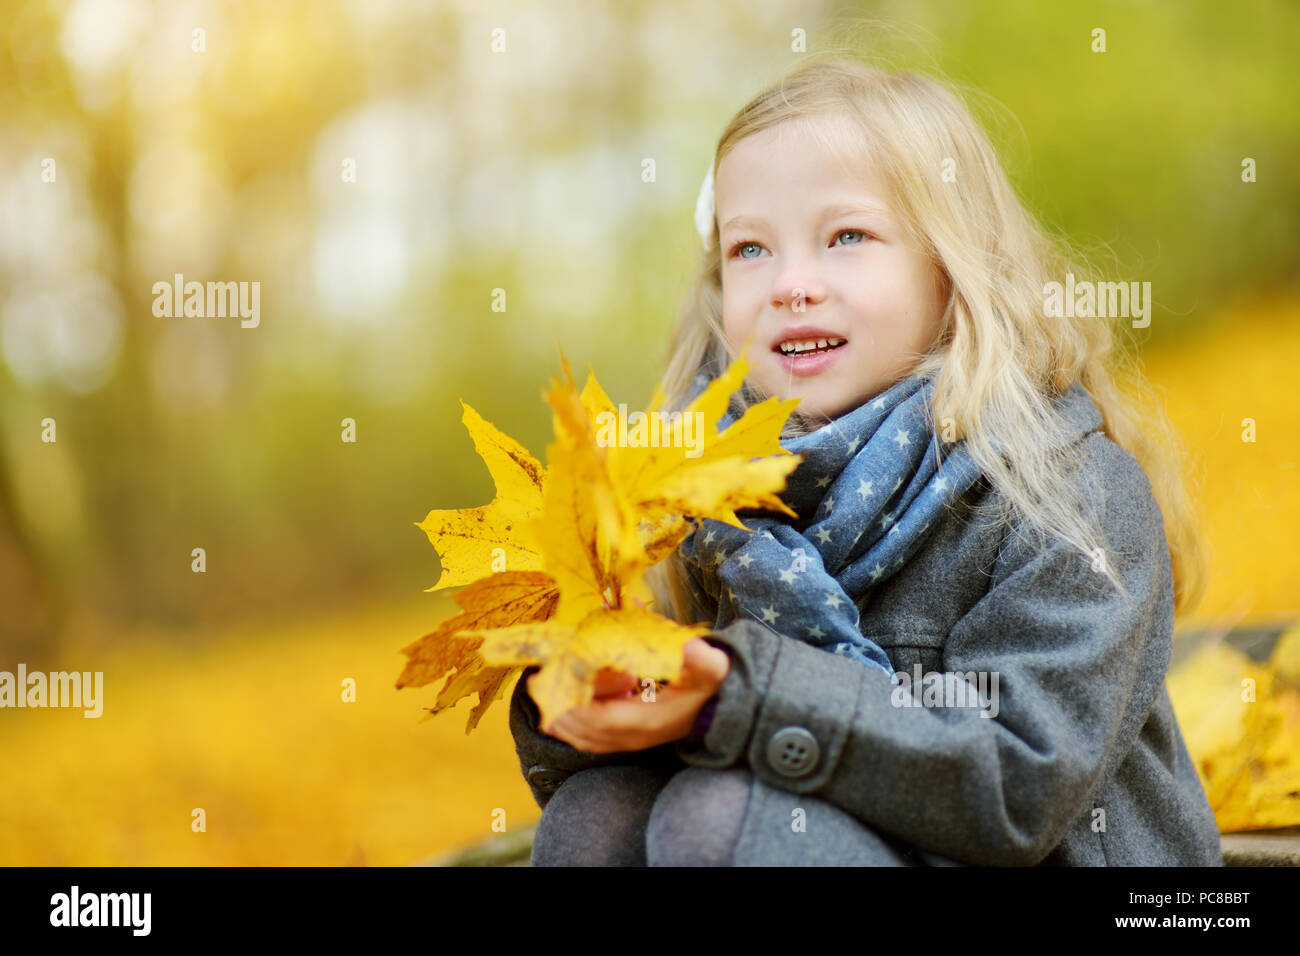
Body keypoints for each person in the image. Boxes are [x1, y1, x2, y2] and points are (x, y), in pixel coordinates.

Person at [508, 54, 1223, 867]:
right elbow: (684, 747)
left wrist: (741, 694)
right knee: (599, 812)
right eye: (750, 250)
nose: (792, 284)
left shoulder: (1069, 494)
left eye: (847, 236)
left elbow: (1019, 786)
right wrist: (592, 686)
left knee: (715, 814)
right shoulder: (709, 506)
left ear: (952, 270)